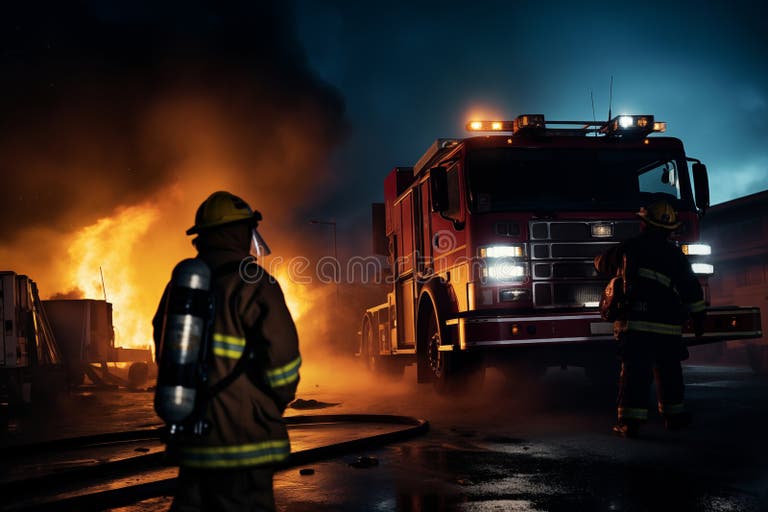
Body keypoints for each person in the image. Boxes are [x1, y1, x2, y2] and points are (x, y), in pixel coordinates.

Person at [153, 191, 301, 511]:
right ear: (233, 233)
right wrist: (271, 405)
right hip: (242, 442)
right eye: (247, 229)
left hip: (192, 439)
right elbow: (283, 359)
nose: (250, 237)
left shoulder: (180, 286)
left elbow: (164, 349)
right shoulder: (254, 282)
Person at [594, 199, 706, 439]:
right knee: (670, 373)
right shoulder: (676, 256)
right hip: (668, 327)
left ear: (644, 224)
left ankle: (630, 424)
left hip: (636, 325)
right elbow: (692, 290)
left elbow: (602, 264)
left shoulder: (630, 248)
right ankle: (673, 417)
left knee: (635, 374)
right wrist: (699, 319)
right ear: (669, 229)